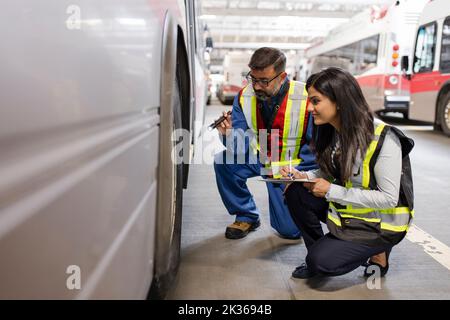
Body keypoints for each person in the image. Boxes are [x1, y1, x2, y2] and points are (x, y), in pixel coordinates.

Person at [281, 67, 414, 279]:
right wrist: (303, 177)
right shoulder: (334, 132)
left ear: (340, 101)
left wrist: (331, 190)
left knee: (321, 263)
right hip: (352, 213)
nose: (309, 108)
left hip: (380, 224)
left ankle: (378, 250)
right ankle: (319, 250)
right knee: (296, 191)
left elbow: (389, 199)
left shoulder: (383, 138)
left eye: (315, 101)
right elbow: (333, 174)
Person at [213, 47, 317, 240]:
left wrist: (301, 175)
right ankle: (247, 215)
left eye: (264, 81)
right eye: (253, 79)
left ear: (282, 76)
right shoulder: (244, 96)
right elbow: (239, 147)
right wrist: (228, 134)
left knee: (289, 231)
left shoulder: (305, 97)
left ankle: (302, 209)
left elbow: (315, 148)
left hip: (290, 168)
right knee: (223, 161)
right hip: (261, 159)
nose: (257, 86)